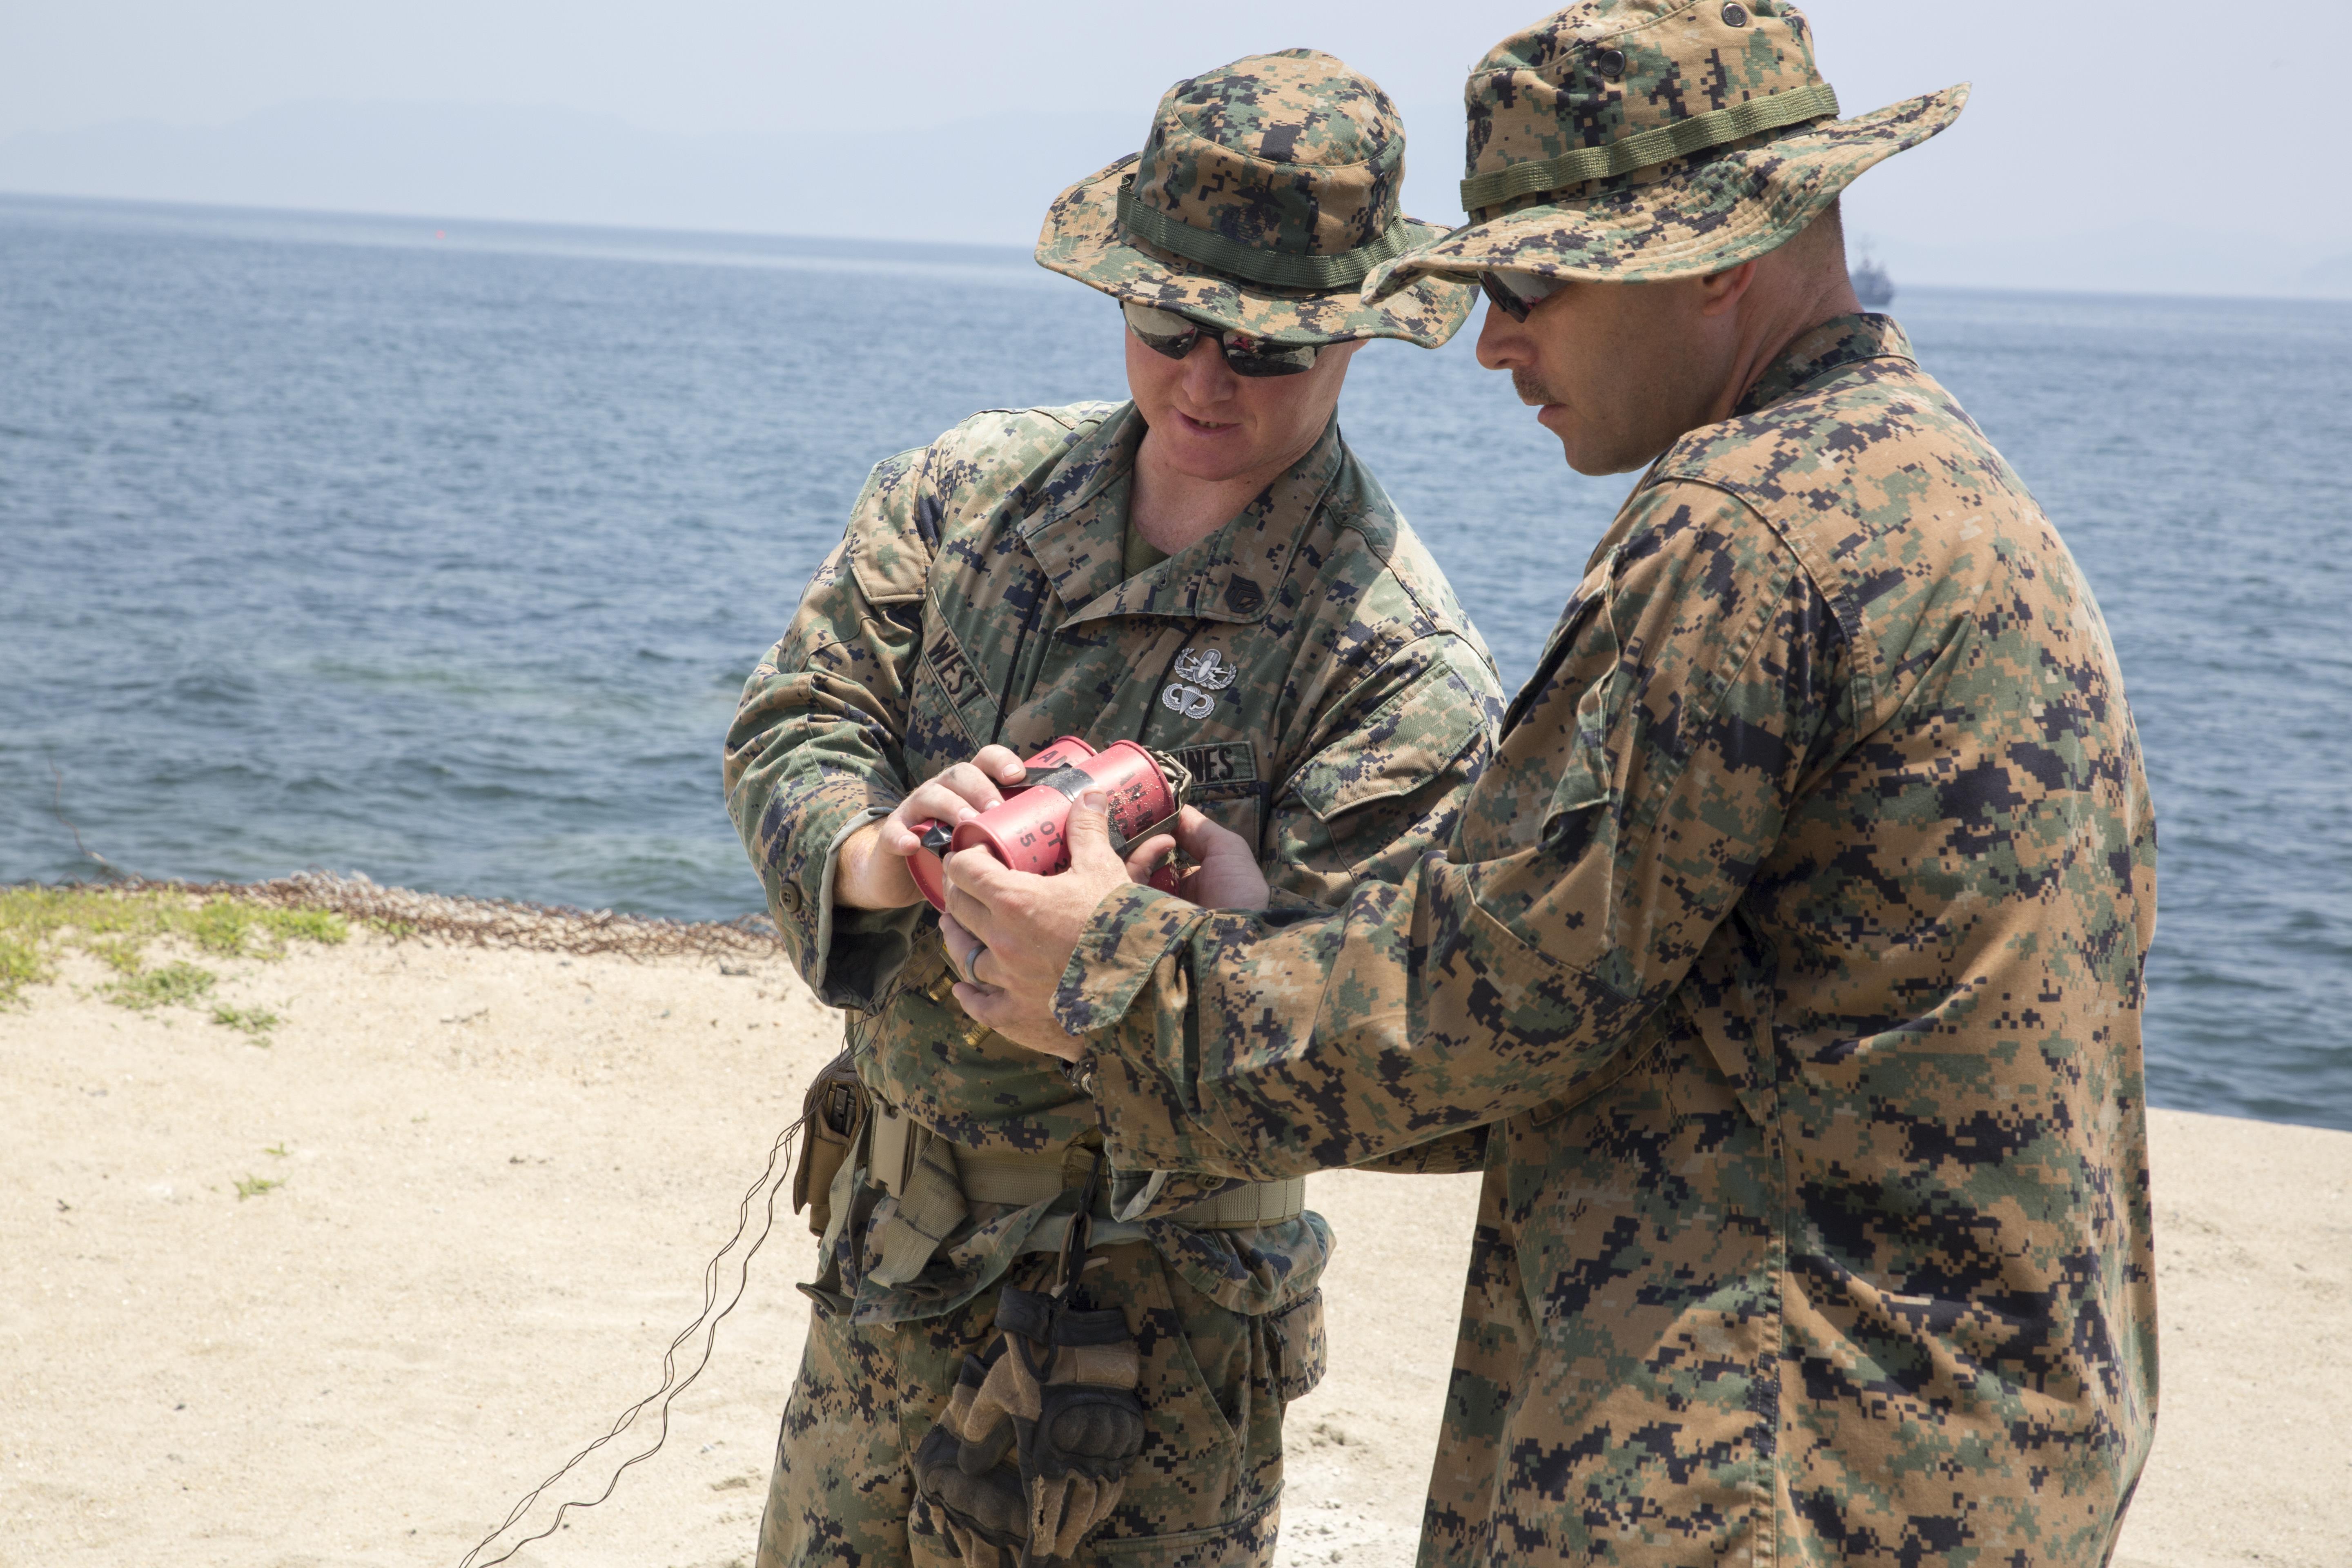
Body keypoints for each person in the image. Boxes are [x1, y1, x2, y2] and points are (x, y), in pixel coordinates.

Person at [938, 4, 2161, 1564]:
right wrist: (1255, 941)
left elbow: (1487, 1011)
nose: (1498, 340)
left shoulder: (1741, 534)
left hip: (1759, 1473)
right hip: (1951, 1454)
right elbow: (1606, 1016)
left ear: (1719, 252)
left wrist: (1110, 969)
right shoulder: (1940, 490)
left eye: (1530, 282)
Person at [724, 49, 1501, 1568]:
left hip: (1157, 1346)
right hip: (890, 1263)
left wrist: (1217, 932)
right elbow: (797, 721)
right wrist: (879, 853)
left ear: (1354, 337)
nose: (1206, 379)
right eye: (1172, 323)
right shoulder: (968, 494)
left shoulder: (1397, 659)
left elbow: (1386, 1031)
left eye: (1267, 350)